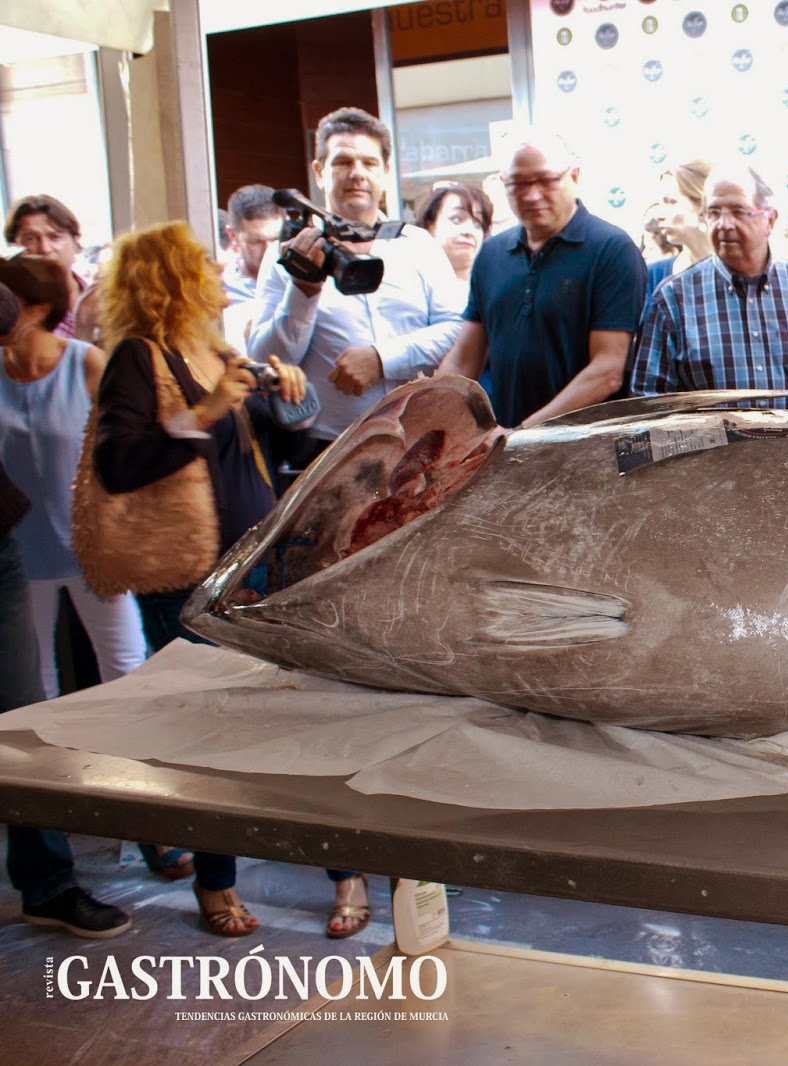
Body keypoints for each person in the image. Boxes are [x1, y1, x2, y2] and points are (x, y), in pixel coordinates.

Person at [91, 221, 373, 939]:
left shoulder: (218, 348)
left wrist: (288, 399)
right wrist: (206, 409)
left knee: (297, 722)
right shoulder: (136, 357)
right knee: (210, 734)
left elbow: (274, 442)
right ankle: (216, 880)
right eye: (202, 264)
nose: (220, 270)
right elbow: (118, 465)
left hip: (254, 564)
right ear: (171, 281)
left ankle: (347, 869)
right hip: (184, 577)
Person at [0, 277, 130, 940]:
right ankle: (46, 878)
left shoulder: (80, 358)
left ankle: (60, 873)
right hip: (22, 544)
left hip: (51, 542)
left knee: (103, 683)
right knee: (29, 708)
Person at [249, 106, 464, 450]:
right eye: (343, 162)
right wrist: (303, 290)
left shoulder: (418, 244)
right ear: (319, 171)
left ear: (386, 171)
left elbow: (456, 329)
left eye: (369, 163)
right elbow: (267, 359)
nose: (357, 174)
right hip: (325, 446)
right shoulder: (287, 254)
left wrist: (382, 358)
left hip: (414, 437)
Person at [0, 255, 145, 700]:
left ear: (37, 307)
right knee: (32, 676)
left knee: (126, 664)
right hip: (20, 548)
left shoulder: (86, 362)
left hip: (90, 542)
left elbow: (123, 451)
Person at [433, 130, 647, 428]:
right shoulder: (492, 254)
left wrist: (524, 433)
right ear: (502, 183)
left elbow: (608, 370)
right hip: (507, 444)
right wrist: (424, 413)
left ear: (574, 176)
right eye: (519, 183)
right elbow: (463, 360)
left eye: (546, 181)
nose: (532, 195)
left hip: (588, 447)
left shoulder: (612, 250)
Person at [630, 165, 788, 411]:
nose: (724, 224)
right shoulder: (674, 298)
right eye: (714, 213)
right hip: (713, 450)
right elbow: (649, 398)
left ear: (770, 219)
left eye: (738, 211)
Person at [5, 195, 95, 341]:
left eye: (55, 237)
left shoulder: (101, 297)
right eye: (31, 238)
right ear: (14, 247)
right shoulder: (11, 311)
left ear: (75, 241)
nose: (45, 249)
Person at [220, 185, 287, 351]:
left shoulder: (301, 284)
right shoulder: (220, 291)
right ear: (232, 236)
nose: (269, 250)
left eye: (276, 239)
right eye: (256, 241)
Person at [647, 159, 715, 295]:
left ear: (704, 206)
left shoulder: (745, 272)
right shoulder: (653, 276)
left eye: (671, 202)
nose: (659, 215)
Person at [417, 182, 494, 284]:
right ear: (429, 225)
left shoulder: (497, 287)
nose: (469, 231)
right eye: (457, 219)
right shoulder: (406, 285)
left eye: (478, 223)